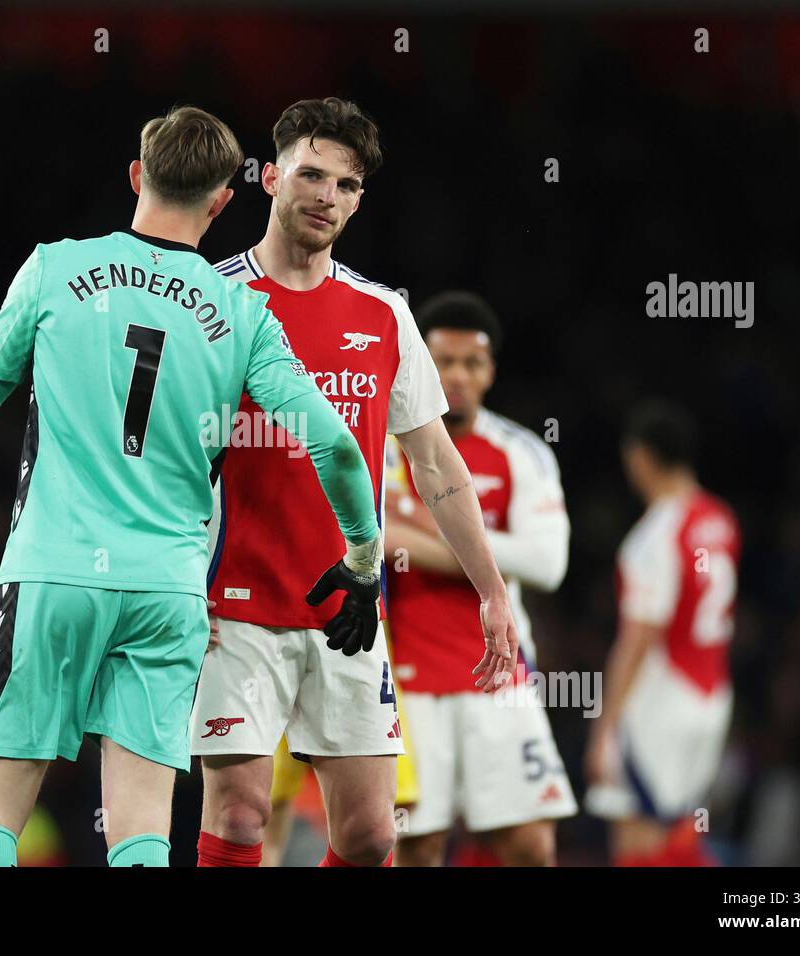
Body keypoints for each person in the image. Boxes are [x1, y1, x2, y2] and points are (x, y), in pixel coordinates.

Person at [0, 105, 402, 867]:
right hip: (169, 592)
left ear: (138, 174)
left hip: (51, 575)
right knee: (139, 828)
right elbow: (333, 443)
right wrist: (363, 559)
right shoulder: (243, 311)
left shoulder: (55, 269)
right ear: (226, 200)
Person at [194, 98, 519, 868]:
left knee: (373, 837)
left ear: (359, 198)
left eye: (345, 185)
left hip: (348, 605)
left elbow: (437, 465)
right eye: (310, 174)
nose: (325, 197)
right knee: (240, 815)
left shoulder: (383, 315)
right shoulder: (212, 299)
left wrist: (492, 590)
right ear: (270, 177)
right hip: (228, 606)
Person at [384, 291, 576, 867]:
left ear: (491, 370)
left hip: (498, 672)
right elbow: (371, 539)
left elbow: (549, 564)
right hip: (405, 679)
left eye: (472, 362)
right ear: (420, 363)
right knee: (413, 848)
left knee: (530, 846)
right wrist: (473, 547)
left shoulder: (521, 452)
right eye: (443, 361)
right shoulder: (384, 445)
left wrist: (420, 531)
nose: (457, 376)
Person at [585, 400, 740, 866]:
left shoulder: (654, 536)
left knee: (637, 843)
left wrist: (605, 726)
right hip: (711, 700)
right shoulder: (720, 519)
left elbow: (638, 638)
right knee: (680, 837)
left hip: (662, 703)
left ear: (640, 457)